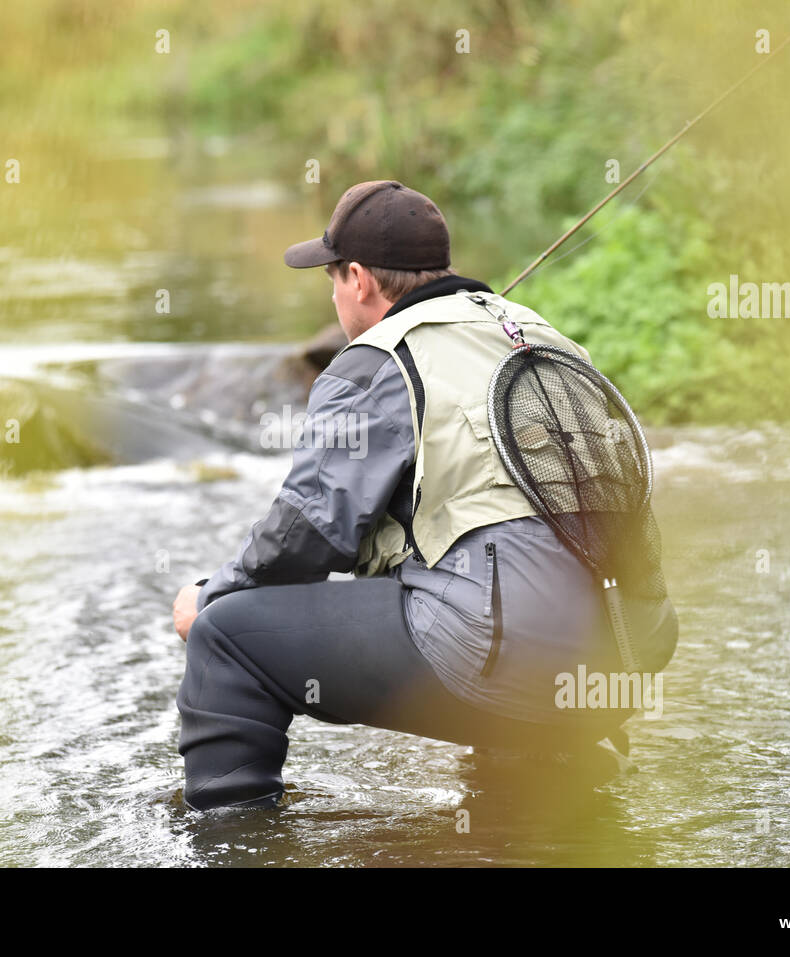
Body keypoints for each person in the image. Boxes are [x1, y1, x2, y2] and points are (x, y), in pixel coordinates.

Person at [171, 180, 677, 811]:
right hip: (626, 655)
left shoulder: (371, 363)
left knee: (226, 637)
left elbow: (309, 533)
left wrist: (209, 594)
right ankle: (553, 793)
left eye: (330, 277)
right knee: (483, 582)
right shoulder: (547, 338)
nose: (333, 294)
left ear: (358, 279)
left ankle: (232, 841)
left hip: (507, 658)